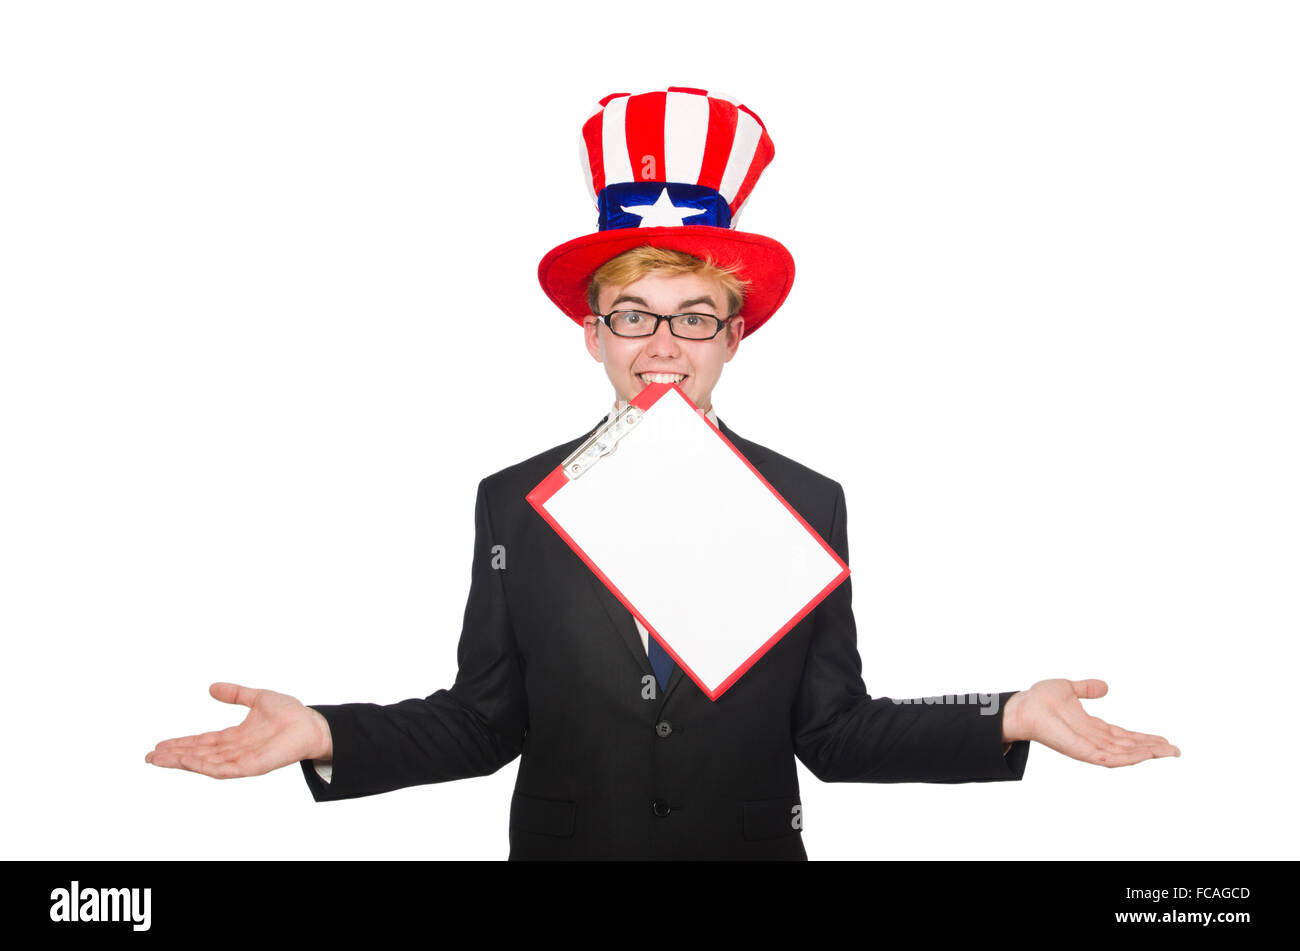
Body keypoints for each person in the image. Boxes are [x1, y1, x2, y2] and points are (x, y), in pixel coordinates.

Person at [146, 88, 1179, 860]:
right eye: (632, 316)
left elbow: (833, 730)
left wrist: (1008, 714)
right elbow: (484, 718)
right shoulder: (514, 499)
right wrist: (328, 732)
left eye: (694, 317)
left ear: (735, 338)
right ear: (591, 334)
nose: (662, 344)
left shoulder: (805, 501)